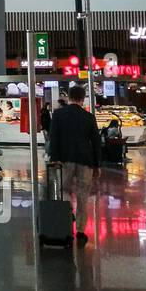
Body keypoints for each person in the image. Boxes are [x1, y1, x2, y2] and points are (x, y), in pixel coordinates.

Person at [48, 84, 102, 244]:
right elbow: (96, 142)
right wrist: (97, 164)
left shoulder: (58, 115)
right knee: (83, 195)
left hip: (64, 159)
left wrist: (54, 157)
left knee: (64, 190)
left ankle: (67, 215)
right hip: (85, 160)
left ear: (69, 97)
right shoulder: (89, 117)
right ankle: (80, 230)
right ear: (83, 98)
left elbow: (54, 137)